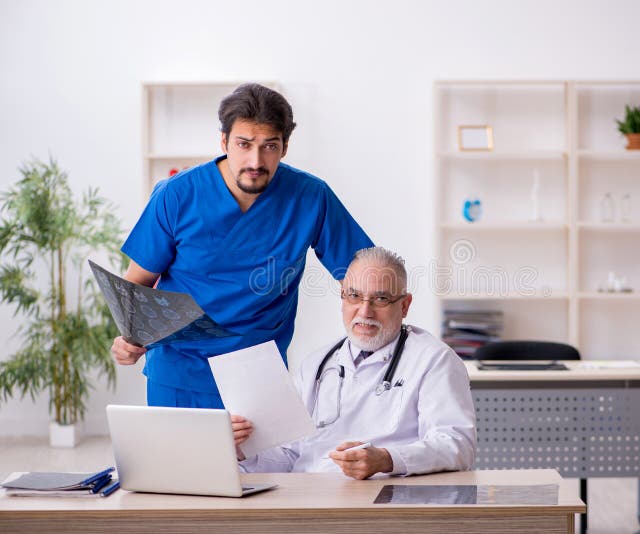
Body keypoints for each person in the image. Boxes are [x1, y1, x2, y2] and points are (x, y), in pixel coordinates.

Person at [111, 83, 373, 409]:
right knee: (177, 461)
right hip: (179, 370)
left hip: (259, 373)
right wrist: (128, 338)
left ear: (285, 147)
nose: (256, 160)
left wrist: (377, 336)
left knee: (262, 463)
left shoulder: (310, 197)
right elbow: (138, 284)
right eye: (244, 144)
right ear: (224, 141)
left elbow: (363, 275)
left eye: (269, 146)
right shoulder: (177, 195)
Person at [232, 247, 476, 479]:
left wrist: (387, 459)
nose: (364, 311)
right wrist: (242, 451)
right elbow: (290, 455)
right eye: (354, 296)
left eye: (380, 299)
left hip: (382, 501)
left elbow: (456, 443)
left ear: (404, 306)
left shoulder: (434, 360)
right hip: (308, 500)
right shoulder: (316, 365)